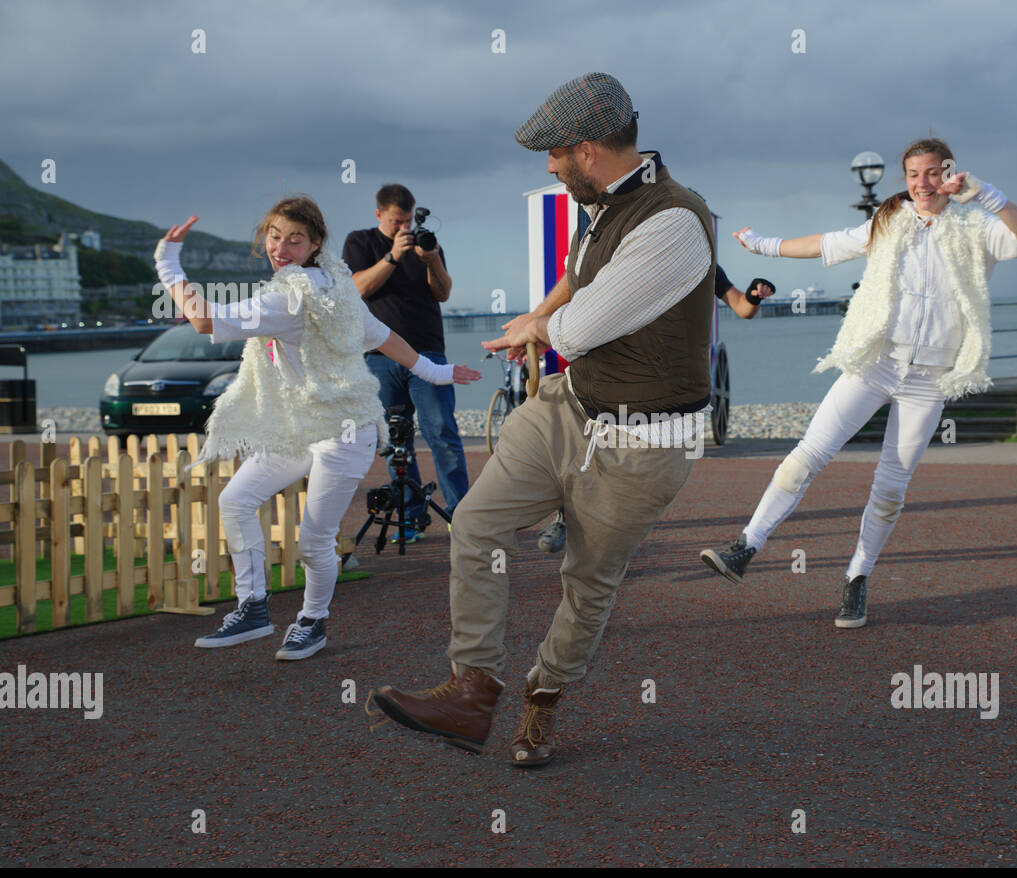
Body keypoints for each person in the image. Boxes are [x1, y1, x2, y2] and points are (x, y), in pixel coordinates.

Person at [370, 72, 715, 767]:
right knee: (475, 521)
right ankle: (473, 689)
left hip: (646, 442)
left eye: (553, 156)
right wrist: (534, 315)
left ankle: (542, 699)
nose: (550, 168)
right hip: (568, 405)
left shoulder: (676, 221)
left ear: (586, 150)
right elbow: (577, 284)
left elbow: (581, 326)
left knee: (586, 585)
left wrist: (550, 325)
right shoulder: (602, 206)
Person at [700, 138, 1017, 628]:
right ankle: (745, 546)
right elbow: (826, 244)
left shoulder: (978, 226)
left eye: (930, 173)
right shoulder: (888, 222)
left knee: (890, 489)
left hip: (930, 380)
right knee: (806, 456)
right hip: (876, 363)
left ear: (949, 172)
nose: (921, 184)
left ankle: (857, 579)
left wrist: (986, 193)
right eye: (912, 175)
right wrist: (762, 245)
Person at [154, 196, 479, 660]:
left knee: (314, 541)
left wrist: (168, 264)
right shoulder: (337, 287)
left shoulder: (292, 295)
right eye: (274, 236)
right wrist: (436, 371)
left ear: (315, 244)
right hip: (301, 425)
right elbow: (383, 337)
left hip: (346, 430)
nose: (280, 248)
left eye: (294, 239)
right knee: (236, 499)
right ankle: (253, 608)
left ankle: (312, 621)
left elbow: (203, 317)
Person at [533, 266, 772, 555]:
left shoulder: (704, 263)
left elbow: (741, 307)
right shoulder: (641, 254)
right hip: (621, 366)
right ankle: (564, 518)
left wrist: (754, 294)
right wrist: (537, 323)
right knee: (578, 439)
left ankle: (603, 528)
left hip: (666, 383)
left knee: (631, 464)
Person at [343, 185, 467, 542]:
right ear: (379, 214)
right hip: (379, 356)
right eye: (396, 221)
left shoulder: (425, 242)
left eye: (408, 221)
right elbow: (357, 288)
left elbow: (443, 292)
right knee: (396, 442)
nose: (403, 228)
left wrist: (432, 261)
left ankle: (462, 515)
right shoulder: (359, 242)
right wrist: (393, 257)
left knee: (442, 433)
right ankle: (412, 517)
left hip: (428, 351)